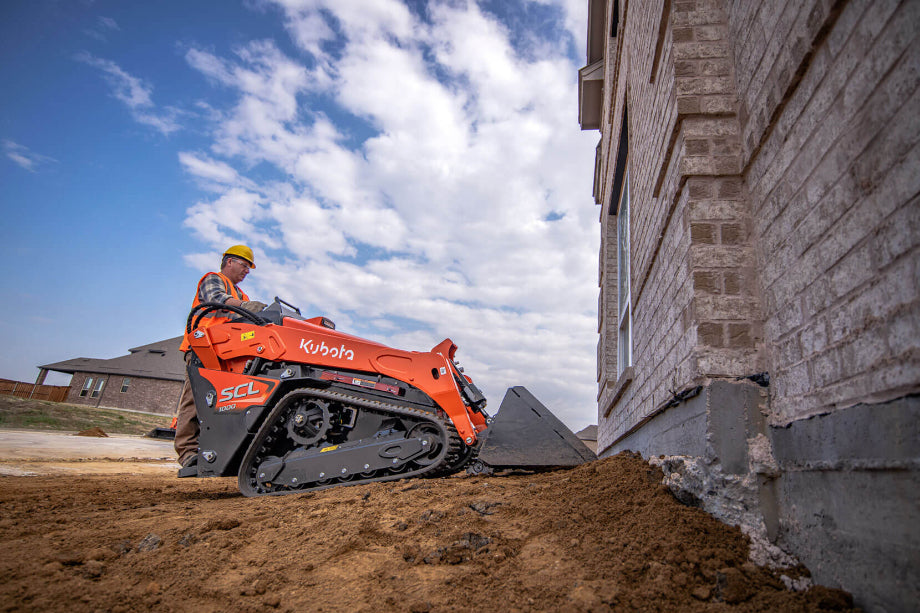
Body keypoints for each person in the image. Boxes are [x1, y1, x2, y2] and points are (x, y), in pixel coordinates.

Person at [175, 245, 266, 477]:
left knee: (225, 401)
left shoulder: (241, 294)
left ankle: (217, 451)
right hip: (204, 348)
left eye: (249, 268)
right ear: (229, 262)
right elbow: (216, 300)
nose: (247, 271)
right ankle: (187, 453)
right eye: (244, 265)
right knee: (195, 399)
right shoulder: (214, 279)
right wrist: (245, 308)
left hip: (228, 353)